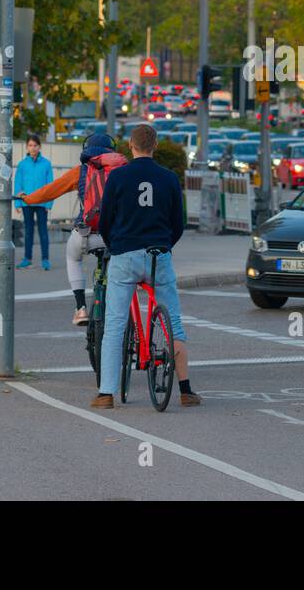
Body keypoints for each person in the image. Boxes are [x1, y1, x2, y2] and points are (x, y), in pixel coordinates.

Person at [91, 124, 197, 409]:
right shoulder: (169, 178)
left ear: (130, 146)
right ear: (156, 145)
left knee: (114, 325)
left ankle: (106, 394)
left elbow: (105, 222)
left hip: (125, 254)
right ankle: (186, 390)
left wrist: (115, 244)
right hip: (158, 254)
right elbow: (178, 223)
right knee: (173, 321)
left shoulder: (118, 177)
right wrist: (166, 246)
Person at [18, 132, 127, 325]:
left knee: (73, 257)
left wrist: (28, 198)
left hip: (86, 233)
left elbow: (51, 190)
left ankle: (80, 308)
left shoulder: (81, 171)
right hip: (114, 236)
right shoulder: (123, 171)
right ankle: (115, 309)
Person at [13, 134, 53, 270]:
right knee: (28, 231)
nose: (33, 148)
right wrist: (18, 203)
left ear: (39, 147)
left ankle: (45, 259)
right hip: (27, 202)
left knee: (43, 232)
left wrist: (49, 203)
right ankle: (27, 258)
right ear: (27, 147)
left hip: (42, 203)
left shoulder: (46, 163)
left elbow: (50, 184)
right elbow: (18, 183)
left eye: (35, 145)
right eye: (30, 145)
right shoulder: (22, 164)